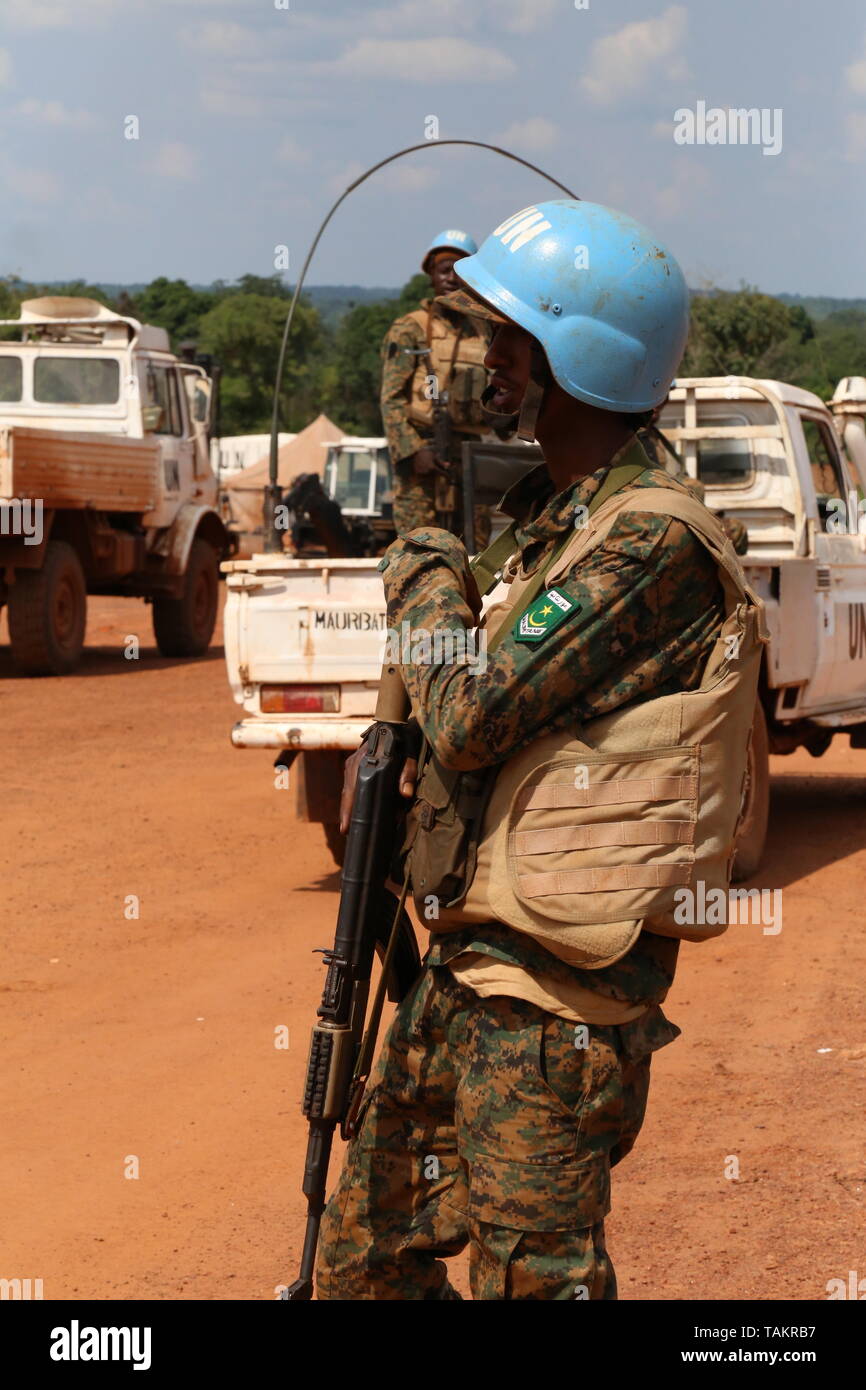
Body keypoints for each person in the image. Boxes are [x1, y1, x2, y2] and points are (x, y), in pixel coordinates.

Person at [317, 200, 763, 1300]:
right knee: (365, 1265)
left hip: (549, 1011)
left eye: (508, 337)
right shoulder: (549, 516)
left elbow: (467, 713)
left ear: (571, 359)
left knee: (533, 1285)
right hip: (465, 974)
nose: (483, 360)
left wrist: (421, 570)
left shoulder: (648, 538)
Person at [380, 229, 494, 544]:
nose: (451, 279)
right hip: (424, 456)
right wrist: (413, 450)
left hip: (471, 458)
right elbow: (391, 400)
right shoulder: (411, 328)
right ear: (431, 274)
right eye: (444, 271)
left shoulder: (486, 331)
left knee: (475, 548)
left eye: (460, 272)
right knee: (421, 548)